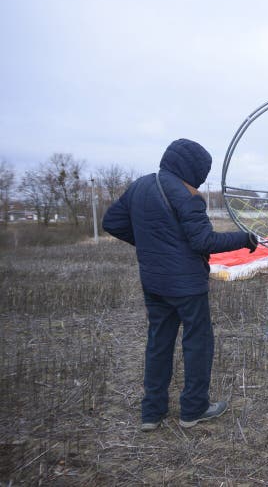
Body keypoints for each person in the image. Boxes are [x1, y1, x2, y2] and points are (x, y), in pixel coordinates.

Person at [103, 138, 257, 431]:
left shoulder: (140, 186)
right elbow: (205, 241)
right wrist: (244, 238)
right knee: (197, 343)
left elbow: (112, 222)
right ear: (193, 170)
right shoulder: (188, 196)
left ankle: (152, 413)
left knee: (158, 343)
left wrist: (152, 245)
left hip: (154, 281)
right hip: (187, 286)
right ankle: (193, 409)